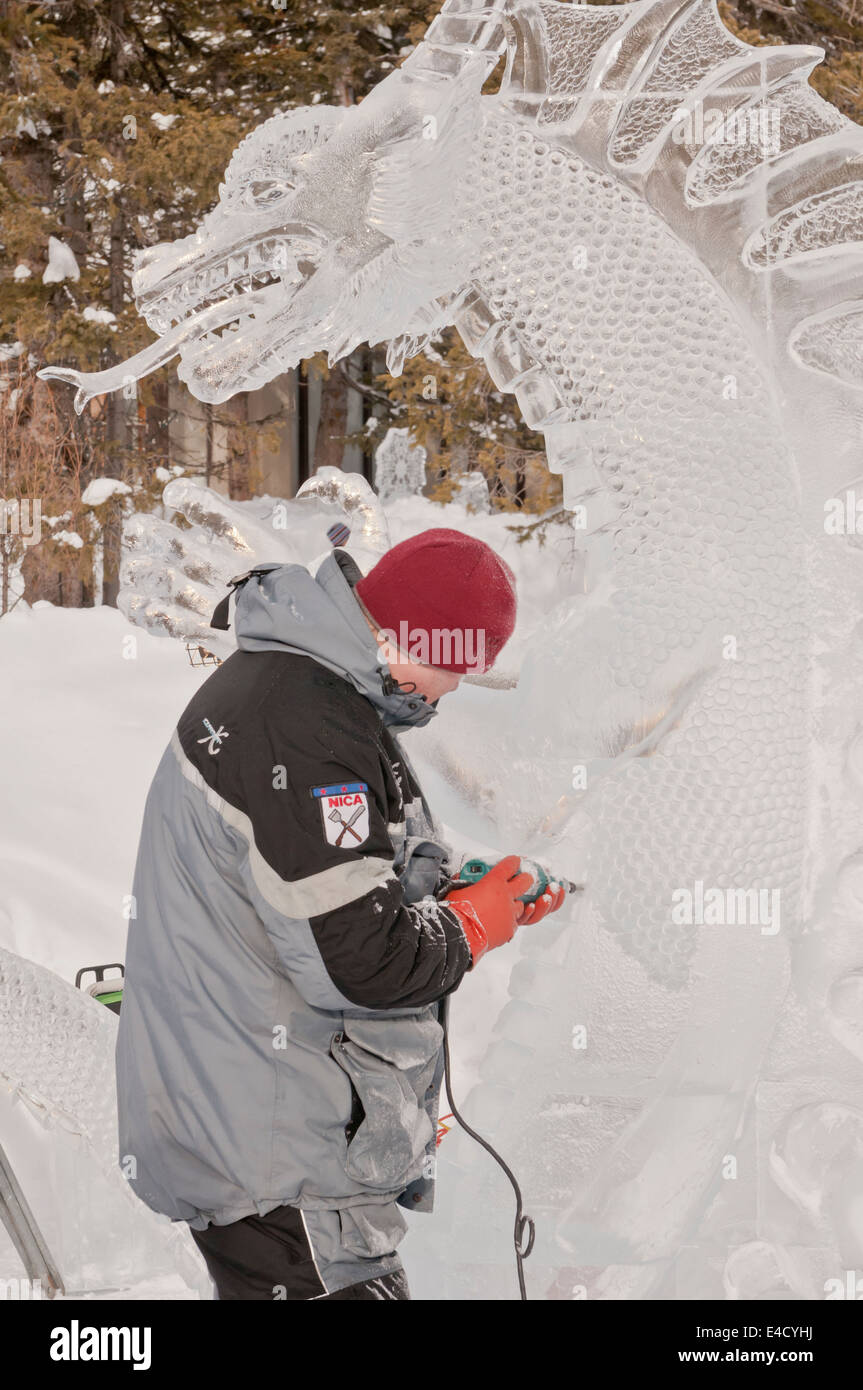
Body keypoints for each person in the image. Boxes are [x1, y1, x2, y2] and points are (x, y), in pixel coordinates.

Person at [115, 527, 565, 1300]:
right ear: (406, 633)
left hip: (269, 1131)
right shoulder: (307, 725)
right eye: (452, 667)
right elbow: (358, 960)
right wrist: (471, 925)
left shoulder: (308, 692)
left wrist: (456, 887)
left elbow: (326, 882)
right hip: (275, 1149)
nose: (450, 690)